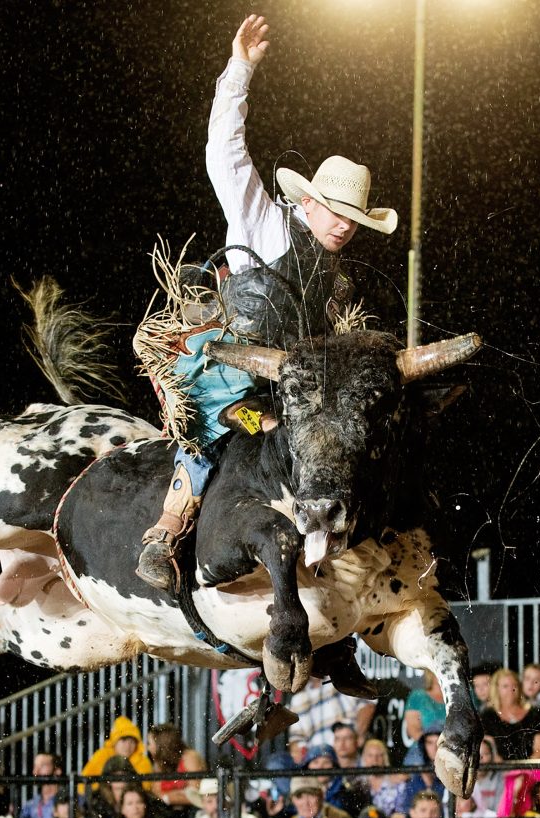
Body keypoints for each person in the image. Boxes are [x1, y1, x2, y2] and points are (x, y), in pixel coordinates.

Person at [134, 14, 398, 591]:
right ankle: (167, 529)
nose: (346, 228)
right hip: (225, 361)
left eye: (355, 221)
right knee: (211, 424)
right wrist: (241, 71)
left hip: (286, 381)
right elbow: (224, 150)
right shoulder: (263, 223)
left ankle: (325, 538)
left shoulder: (335, 280)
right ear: (310, 202)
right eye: (339, 214)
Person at [480, 667, 540, 762]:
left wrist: (524, 771)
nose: (511, 689)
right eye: (505, 686)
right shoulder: (487, 715)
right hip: (499, 772)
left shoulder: (534, 713)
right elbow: (489, 749)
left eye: (514, 685)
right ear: (496, 689)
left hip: (531, 770)